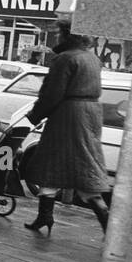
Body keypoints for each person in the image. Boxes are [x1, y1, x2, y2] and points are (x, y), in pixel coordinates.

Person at [23, 31, 112, 236]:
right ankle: (45, 217)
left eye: (58, 34)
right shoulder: (92, 58)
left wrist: (35, 115)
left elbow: (52, 93)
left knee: (55, 162)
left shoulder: (65, 59)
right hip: (90, 114)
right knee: (78, 163)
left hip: (68, 116)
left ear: (66, 37)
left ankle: (47, 216)